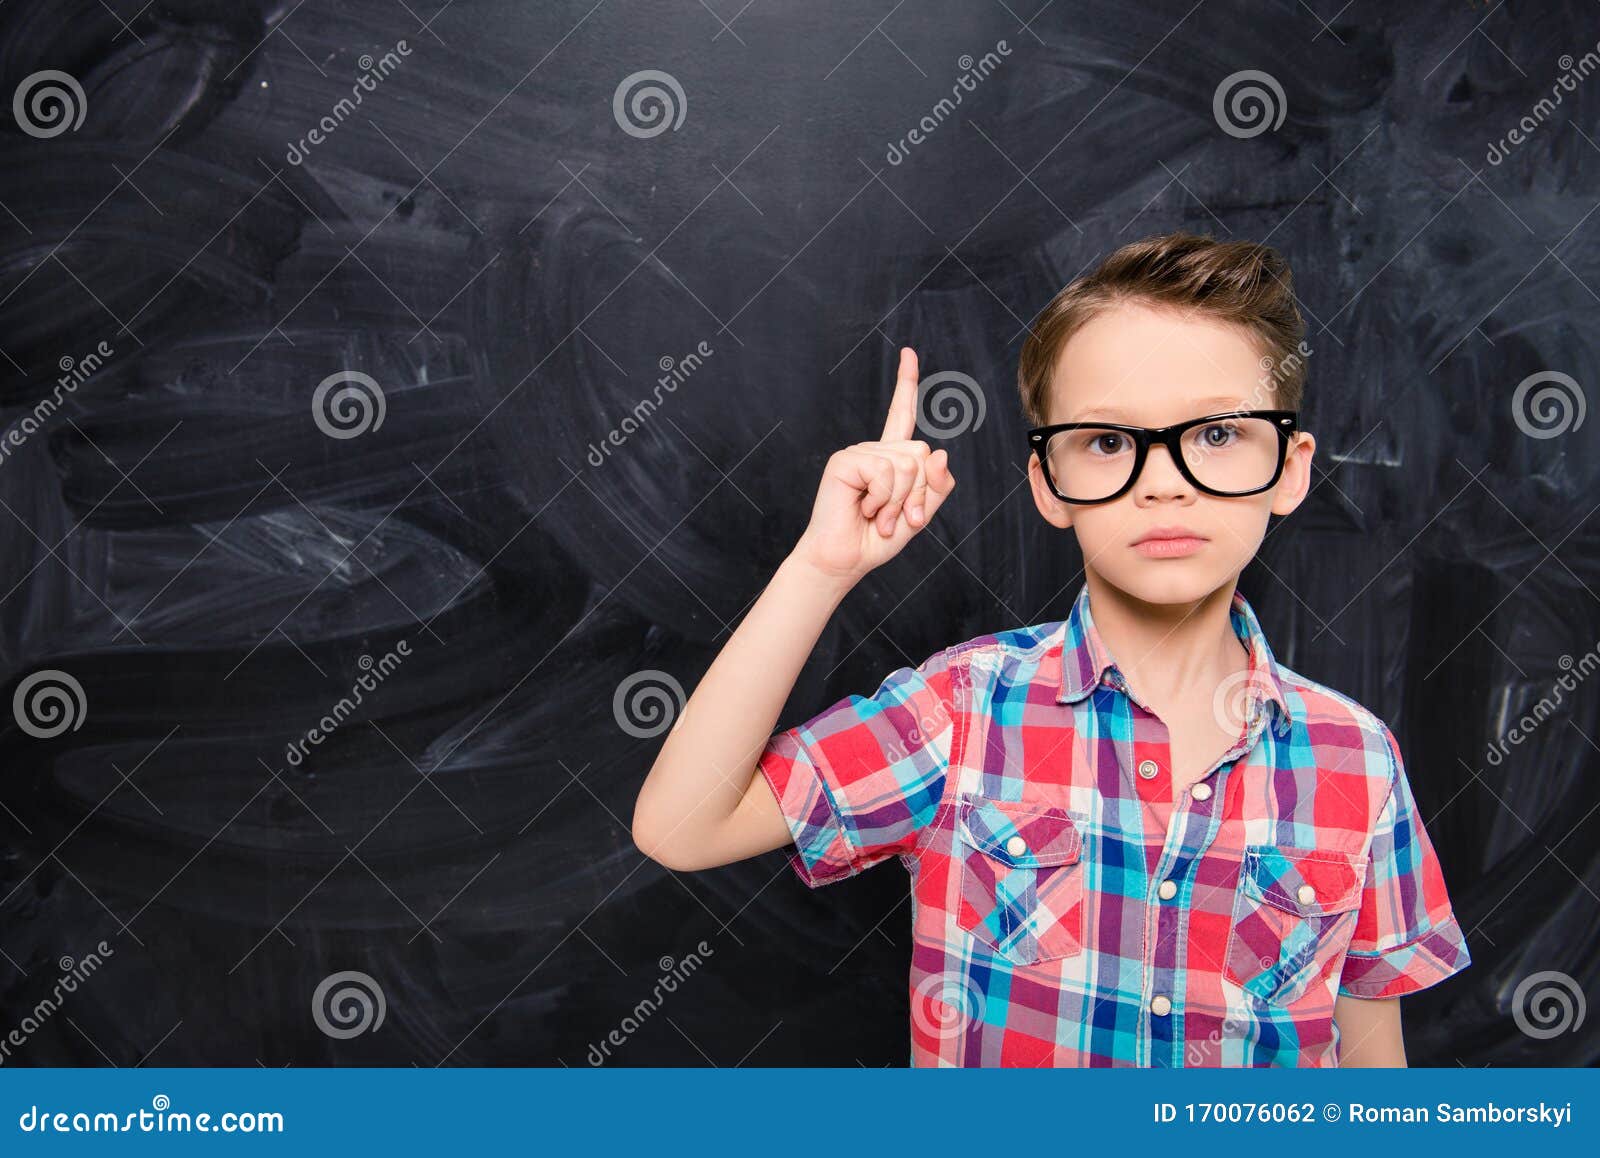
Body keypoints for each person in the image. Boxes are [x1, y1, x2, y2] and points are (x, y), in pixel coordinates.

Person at [631, 230, 1472, 1067]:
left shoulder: (1356, 759)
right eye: (1108, 442)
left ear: (1289, 469)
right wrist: (821, 566)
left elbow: (1373, 1078)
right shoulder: (961, 712)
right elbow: (680, 827)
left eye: (1217, 435)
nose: (1164, 479)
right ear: (1048, 484)